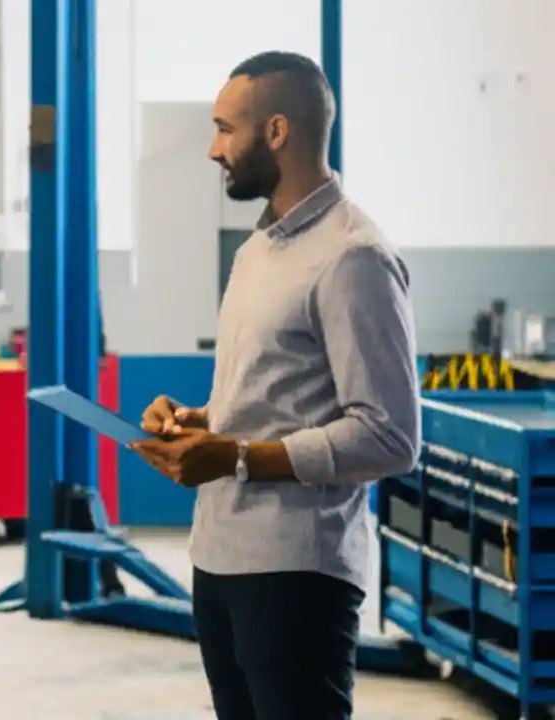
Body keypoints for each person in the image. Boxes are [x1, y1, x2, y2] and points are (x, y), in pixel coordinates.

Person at [129, 51, 420, 720]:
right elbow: (266, 399)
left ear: (278, 132)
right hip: (220, 558)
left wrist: (236, 457)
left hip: (297, 571)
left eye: (226, 128)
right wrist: (200, 420)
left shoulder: (354, 258)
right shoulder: (256, 253)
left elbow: (390, 434)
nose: (213, 148)